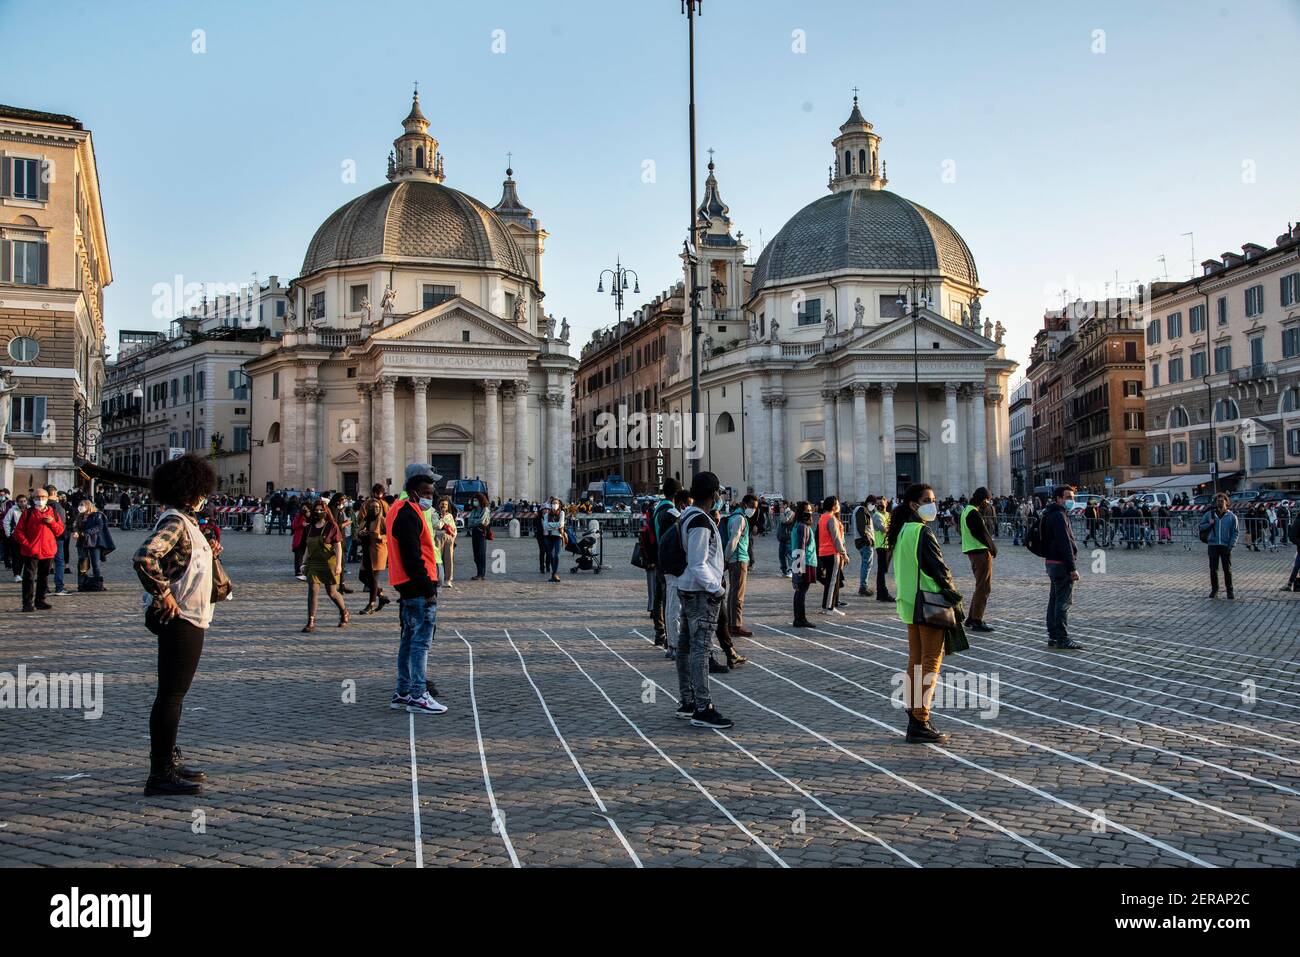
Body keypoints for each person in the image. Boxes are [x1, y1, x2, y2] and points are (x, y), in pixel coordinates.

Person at [133, 454, 220, 796]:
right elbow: (145, 557)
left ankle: (168, 759)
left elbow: (176, 559)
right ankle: (160, 773)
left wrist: (208, 552)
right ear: (192, 491)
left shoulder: (186, 522)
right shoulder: (176, 522)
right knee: (171, 695)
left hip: (189, 615)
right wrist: (163, 593)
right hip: (180, 616)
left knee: (174, 695)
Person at [888, 482, 960, 744]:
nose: (933, 504)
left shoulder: (902, 530)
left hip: (909, 602)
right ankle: (920, 718)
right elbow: (939, 570)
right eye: (928, 499)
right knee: (931, 662)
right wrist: (953, 595)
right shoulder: (922, 532)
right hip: (930, 602)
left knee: (916, 661)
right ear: (913, 504)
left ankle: (914, 714)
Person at [672, 471, 733, 730]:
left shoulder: (689, 515)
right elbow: (698, 562)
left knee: (686, 647)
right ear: (713, 494)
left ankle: (688, 702)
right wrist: (716, 588)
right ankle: (702, 707)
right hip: (700, 593)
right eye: (718, 492)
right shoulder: (699, 521)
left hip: (689, 589)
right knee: (700, 649)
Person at [386, 464, 447, 716]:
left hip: (406, 584)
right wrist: (428, 588)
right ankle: (419, 694)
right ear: (413, 490)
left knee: (408, 640)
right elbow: (413, 556)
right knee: (421, 643)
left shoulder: (398, 509)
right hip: (418, 586)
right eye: (427, 492)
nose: (430, 498)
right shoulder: (408, 513)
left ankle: (402, 692)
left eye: (432, 493)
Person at [1041, 485, 1083, 650]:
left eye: (1072, 497)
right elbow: (1064, 543)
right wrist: (1072, 568)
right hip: (1060, 563)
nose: (1071, 501)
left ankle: (1053, 635)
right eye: (1067, 497)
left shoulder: (1049, 513)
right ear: (1058, 498)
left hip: (1051, 562)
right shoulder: (1059, 516)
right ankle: (1062, 637)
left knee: (1054, 600)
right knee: (1062, 602)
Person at [301, 499, 348, 633]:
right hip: (313, 563)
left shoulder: (331, 526)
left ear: (326, 511)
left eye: (321, 510)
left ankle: (344, 611)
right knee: (313, 591)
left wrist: (339, 565)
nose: (319, 512)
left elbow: (338, 546)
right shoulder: (309, 527)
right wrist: (303, 563)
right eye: (316, 511)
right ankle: (311, 621)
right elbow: (307, 548)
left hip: (329, 563)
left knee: (332, 592)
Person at [13, 488, 64, 611]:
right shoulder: (28, 513)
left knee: (44, 577)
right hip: (31, 550)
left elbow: (60, 531)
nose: (40, 500)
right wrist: (27, 544)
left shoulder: (53, 513)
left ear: (47, 499)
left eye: (42, 497)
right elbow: (18, 531)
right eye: (37, 498)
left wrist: (52, 522)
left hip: (48, 551)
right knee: (29, 577)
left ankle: (40, 600)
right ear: (33, 499)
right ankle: (27, 603)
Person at [960, 487, 997, 633]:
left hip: (971, 551)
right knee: (984, 587)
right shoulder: (973, 513)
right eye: (987, 500)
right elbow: (982, 533)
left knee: (979, 585)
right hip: (980, 552)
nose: (988, 503)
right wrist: (993, 548)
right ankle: (977, 620)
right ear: (983, 499)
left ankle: (971, 617)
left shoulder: (965, 511)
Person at [662, 488, 692, 659]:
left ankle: (672, 644)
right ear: (682, 504)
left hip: (668, 568)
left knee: (671, 608)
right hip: (674, 569)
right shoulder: (674, 518)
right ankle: (674, 645)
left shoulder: (667, 515)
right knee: (674, 609)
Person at [649, 478, 680, 646]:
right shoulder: (670, 511)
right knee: (669, 599)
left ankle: (659, 632)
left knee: (659, 596)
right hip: (666, 558)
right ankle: (669, 635)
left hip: (657, 556)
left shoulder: (657, 508)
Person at [723, 494, 756, 638]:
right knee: (738, 594)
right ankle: (735, 625)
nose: (753, 510)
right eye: (752, 507)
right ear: (744, 504)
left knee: (733, 593)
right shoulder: (740, 518)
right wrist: (726, 557)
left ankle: (731, 623)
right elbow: (734, 539)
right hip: (738, 559)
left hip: (735, 559)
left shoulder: (733, 517)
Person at [357, 485, 391, 615]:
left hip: (378, 552)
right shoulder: (366, 520)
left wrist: (380, 537)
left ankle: (371, 604)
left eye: (377, 508)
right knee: (362, 576)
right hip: (366, 551)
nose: (374, 509)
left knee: (373, 578)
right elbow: (358, 532)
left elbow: (390, 534)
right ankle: (381, 596)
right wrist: (361, 534)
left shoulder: (382, 520)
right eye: (372, 507)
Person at [1199, 493, 1239, 600]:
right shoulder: (1209, 514)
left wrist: (1231, 545)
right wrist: (1209, 524)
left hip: (1225, 546)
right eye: (1218, 501)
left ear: (1226, 502)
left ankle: (1229, 591)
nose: (1219, 503)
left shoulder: (1231, 516)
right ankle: (1215, 590)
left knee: (1227, 570)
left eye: (1222, 500)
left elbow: (1235, 532)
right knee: (1213, 569)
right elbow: (1201, 526)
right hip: (1213, 545)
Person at [817, 496, 849, 616]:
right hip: (832, 553)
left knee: (829, 581)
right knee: (832, 581)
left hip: (823, 552)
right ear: (834, 506)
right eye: (838, 504)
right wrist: (844, 554)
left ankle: (825, 606)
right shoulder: (832, 519)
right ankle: (830, 607)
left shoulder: (822, 518)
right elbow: (836, 539)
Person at [74, 498, 115, 589]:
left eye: (82, 505)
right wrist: (76, 532)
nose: (80, 507)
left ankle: (98, 584)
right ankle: (81, 584)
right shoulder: (80, 516)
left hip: (94, 542)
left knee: (95, 564)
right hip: (82, 542)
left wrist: (86, 532)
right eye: (80, 505)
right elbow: (76, 526)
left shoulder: (97, 515)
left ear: (88, 506)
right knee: (82, 563)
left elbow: (99, 527)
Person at [790, 501, 818, 628]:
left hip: (801, 560)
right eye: (807, 510)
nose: (810, 513)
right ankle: (800, 618)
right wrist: (799, 569)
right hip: (804, 561)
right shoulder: (803, 527)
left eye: (810, 510)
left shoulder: (798, 525)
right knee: (801, 590)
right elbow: (801, 547)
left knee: (800, 591)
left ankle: (799, 618)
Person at [853, 496, 876, 597]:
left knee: (865, 564)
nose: (874, 507)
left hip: (862, 541)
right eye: (874, 504)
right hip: (864, 541)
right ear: (870, 502)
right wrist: (868, 540)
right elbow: (861, 527)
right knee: (866, 564)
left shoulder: (862, 510)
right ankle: (863, 586)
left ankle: (863, 585)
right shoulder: (861, 510)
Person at [872, 497, 895, 601]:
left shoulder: (888, 514)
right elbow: (883, 528)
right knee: (881, 571)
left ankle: (881, 593)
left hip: (888, 545)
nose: (880, 504)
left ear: (886, 503)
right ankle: (882, 593)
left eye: (882, 502)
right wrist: (893, 528)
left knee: (884, 570)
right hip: (881, 545)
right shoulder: (876, 515)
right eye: (879, 503)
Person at [466, 492, 491, 580]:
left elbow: (482, 520)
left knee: (481, 553)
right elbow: (470, 521)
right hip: (475, 531)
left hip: (481, 532)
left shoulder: (485, 510)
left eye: (476, 500)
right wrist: (475, 522)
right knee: (475, 554)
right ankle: (478, 572)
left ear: (481, 500)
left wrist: (474, 522)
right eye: (474, 500)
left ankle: (481, 573)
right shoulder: (474, 510)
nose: (474, 502)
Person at [434, 497, 458, 587]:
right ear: (439, 505)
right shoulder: (435, 515)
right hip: (438, 538)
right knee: (438, 559)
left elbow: (454, 528)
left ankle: (448, 579)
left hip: (448, 538)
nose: (444, 506)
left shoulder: (450, 516)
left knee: (449, 559)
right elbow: (437, 526)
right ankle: (437, 577)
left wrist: (453, 537)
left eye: (446, 505)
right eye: (442, 504)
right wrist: (442, 518)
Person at [541, 497, 565, 583]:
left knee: (557, 555)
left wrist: (551, 525)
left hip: (557, 536)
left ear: (559, 505)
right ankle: (554, 574)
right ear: (551, 504)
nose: (555, 505)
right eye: (553, 503)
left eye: (556, 503)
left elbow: (561, 524)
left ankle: (555, 573)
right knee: (550, 555)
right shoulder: (546, 515)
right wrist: (556, 525)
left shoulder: (562, 513)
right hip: (548, 537)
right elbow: (545, 526)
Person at [291, 503, 310, 580]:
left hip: (309, 538)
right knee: (298, 556)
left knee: (308, 556)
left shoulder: (313, 516)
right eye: (303, 508)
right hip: (300, 539)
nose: (305, 510)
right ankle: (298, 572)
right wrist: (302, 524)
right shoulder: (298, 516)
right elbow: (293, 526)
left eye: (306, 508)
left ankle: (306, 571)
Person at [1283, 506, 1300, 593]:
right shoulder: (1298, 522)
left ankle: (1289, 584)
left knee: (1296, 567)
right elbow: (1292, 537)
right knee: (1296, 566)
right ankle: (1289, 584)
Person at [776, 500, 794, 576]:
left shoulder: (791, 513)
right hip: (782, 538)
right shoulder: (782, 513)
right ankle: (784, 570)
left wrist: (782, 513)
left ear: (786, 505)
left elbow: (784, 521)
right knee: (781, 555)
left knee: (789, 555)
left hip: (788, 538)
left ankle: (791, 570)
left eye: (781, 505)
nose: (780, 507)